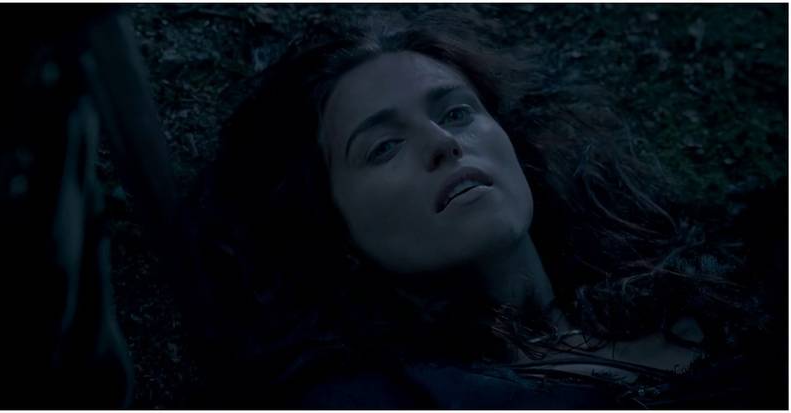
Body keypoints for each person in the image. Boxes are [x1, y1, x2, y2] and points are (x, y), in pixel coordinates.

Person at [193, 11, 785, 409]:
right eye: (383, 147)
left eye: (456, 113)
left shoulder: (724, 264)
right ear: (328, 227)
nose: (444, 144)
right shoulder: (384, 400)